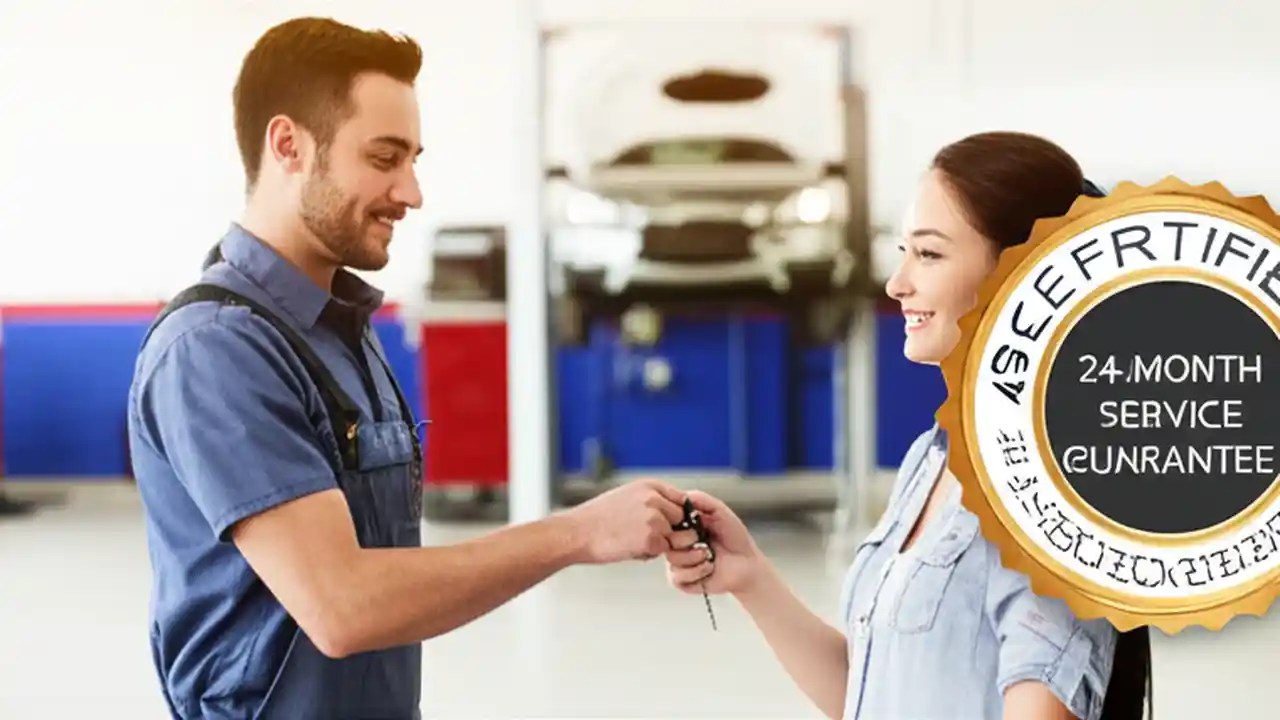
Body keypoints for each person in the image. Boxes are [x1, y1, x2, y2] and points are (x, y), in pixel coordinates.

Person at [127, 17, 696, 719]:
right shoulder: (216, 350)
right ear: (288, 146)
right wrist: (577, 534)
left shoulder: (342, 333)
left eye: (414, 159)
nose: (413, 192)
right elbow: (342, 606)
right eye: (385, 157)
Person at [664, 131, 1152, 720]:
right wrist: (752, 578)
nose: (897, 284)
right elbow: (875, 695)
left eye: (929, 254)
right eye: (904, 252)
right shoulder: (933, 457)